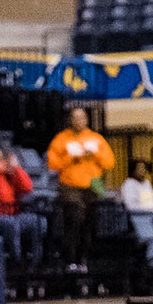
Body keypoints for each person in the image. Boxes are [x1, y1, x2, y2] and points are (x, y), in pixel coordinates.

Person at [47, 106, 114, 270]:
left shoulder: (95, 138)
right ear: (70, 120)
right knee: (75, 218)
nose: (79, 121)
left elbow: (109, 162)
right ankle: (71, 259)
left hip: (91, 186)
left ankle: (84, 260)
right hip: (70, 186)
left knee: (89, 223)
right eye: (75, 118)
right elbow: (52, 163)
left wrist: (94, 154)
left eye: (82, 117)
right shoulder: (61, 139)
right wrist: (71, 158)